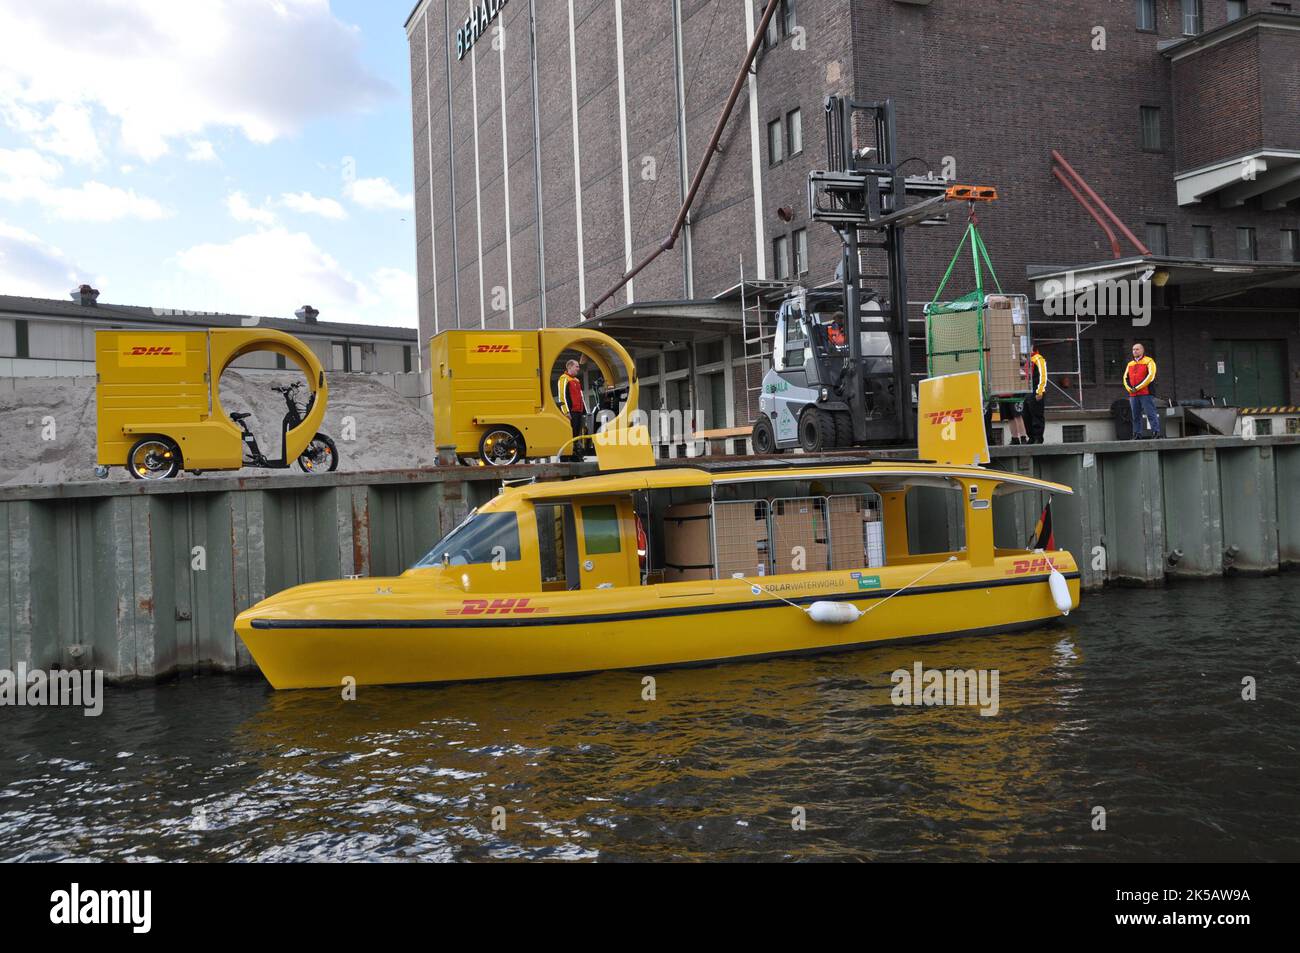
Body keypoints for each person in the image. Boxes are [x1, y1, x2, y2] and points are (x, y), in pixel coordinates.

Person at [1123, 342, 1161, 439]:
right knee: (1135, 415)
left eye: (1137, 349)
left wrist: (1137, 387)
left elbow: (1150, 377)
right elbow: (1125, 378)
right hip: (1133, 394)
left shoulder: (1149, 361)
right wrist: (1129, 388)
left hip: (1146, 393)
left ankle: (1156, 432)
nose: (1134, 351)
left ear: (1142, 350)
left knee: (1150, 413)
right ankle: (1137, 434)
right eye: (1133, 349)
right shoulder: (1130, 364)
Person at [556, 357, 588, 461]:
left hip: (578, 412)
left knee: (576, 435)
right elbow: (562, 397)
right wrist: (566, 412)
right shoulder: (564, 378)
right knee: (569, 435)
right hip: (571, 413)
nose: (578, 368)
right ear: (570, 367)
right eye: (576, 366)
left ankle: (575, 455)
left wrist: (585, 411)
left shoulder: (577, 380)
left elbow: (581, 397)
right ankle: (566, 457)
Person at [1025, 346, 1047, 444]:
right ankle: (1031, 437)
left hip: (1035, 390)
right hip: (1027, 391)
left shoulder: (1038, 358)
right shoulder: (1025, 359)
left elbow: (1043, 375)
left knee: (1036, 414)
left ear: (1031, 347)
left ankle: (1038, 437)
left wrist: (1040, 391)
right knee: (1026, 415)